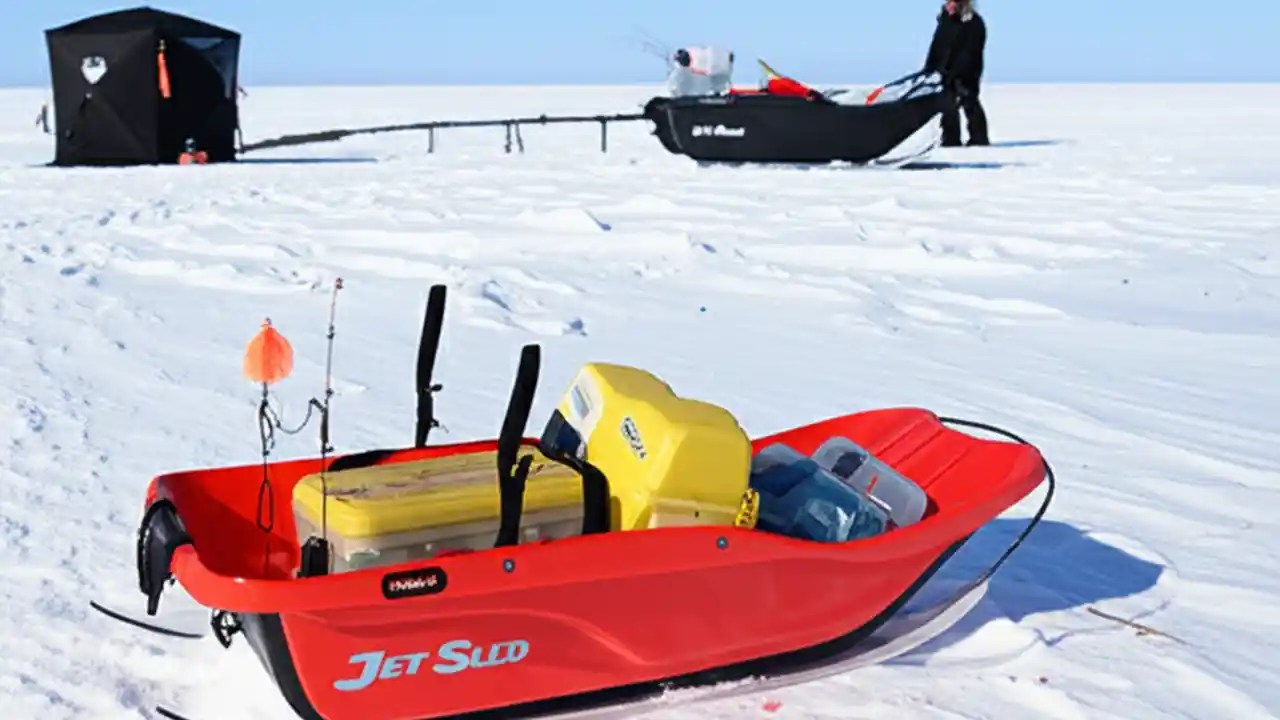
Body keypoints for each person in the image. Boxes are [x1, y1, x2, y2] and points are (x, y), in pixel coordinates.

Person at [924, 0, 989, 146]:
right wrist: (929, 68)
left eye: (953, 3)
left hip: (968, 71)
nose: (949, 6)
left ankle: (979, 138)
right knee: (947, 104)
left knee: (969, 101)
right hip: (944, 71)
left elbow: (972, 50)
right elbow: (937, 45)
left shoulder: (973, 22)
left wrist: (959, 69)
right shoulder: (945, 21)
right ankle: (950, 138)